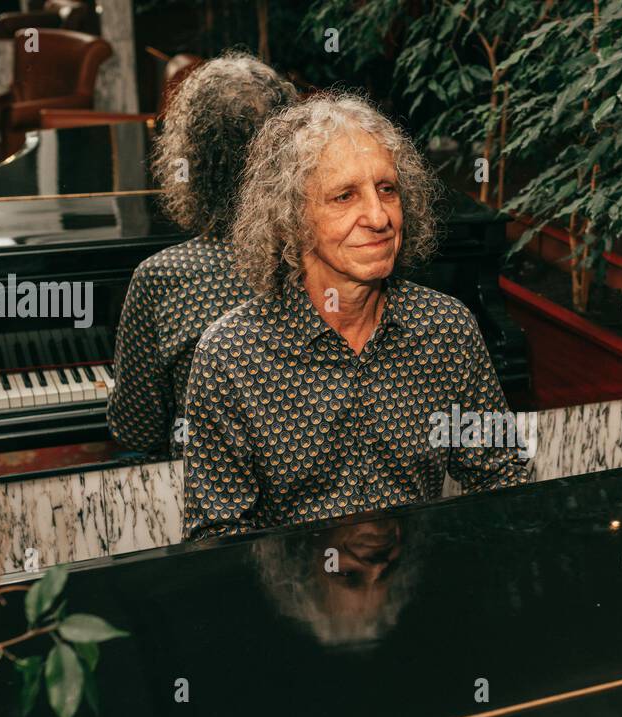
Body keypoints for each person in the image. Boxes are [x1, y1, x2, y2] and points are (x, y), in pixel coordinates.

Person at [182, 93, 530, 540]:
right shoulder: (231, 356)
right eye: (344, 196)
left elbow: (502, 474)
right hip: (294, 600)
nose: (378, 216)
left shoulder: (446, 329)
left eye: (387, 190)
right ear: (290, 219)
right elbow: (217, 536)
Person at [107, 53, 297, 455]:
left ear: (191, 156)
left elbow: (136, 431)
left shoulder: (162, 278)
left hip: (211, 501)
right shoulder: (331, 259)